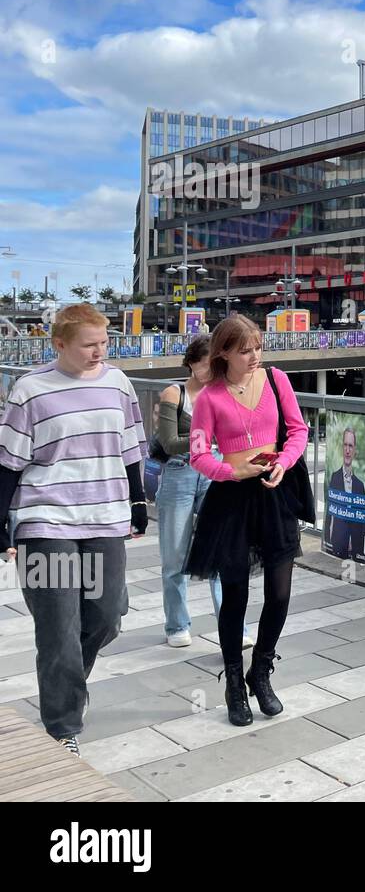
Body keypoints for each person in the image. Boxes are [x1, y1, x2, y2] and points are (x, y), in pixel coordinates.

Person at [0, 304, 149, 756]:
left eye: (104, 342)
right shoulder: (30, 390)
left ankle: (66, 686)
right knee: (59, 630)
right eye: (89, 344)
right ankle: (62, 727)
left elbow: (130, 446)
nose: (99, 352)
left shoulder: (117, 382)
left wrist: (138, 499)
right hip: (45, 520)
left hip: (104, 517)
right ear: (59, 344)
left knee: (106, 617)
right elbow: (7, 463)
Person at [187, 314, 309, 727]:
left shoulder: (277, 380)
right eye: (244, 349)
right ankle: (235, 684)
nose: (255, 355)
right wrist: (230, 471)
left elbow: (298, 431)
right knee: (235, 596)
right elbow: (199, 454)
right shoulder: (209, 398)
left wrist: (285, 464)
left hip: (275, 494)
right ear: (224, 352)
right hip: (232, 501)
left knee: (280, 593)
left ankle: (261, 669)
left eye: (258, 346)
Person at [155, 335, 250, 649]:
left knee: (222, 555)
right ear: (192, 361)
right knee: (175, 556)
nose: (209, 369)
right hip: (180, 473)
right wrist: (209, 438)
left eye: (215, 364)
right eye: (204, 363)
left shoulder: (223, 394)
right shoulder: (175, 393)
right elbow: (169, 443)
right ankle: (177, 624)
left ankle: (232, 629)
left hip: (216, 473)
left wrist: (207, 440)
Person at [324, 427, 365, 559]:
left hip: (356, 548)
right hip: (337, 545)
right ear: (342, 448)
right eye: (345, 445)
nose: (348, 450)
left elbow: (364, 521)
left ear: (354, 450)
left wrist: (364, 550)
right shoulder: (334, 477)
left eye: (351, 446)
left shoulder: (360, 485)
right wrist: (328, 541)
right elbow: (328, 515)